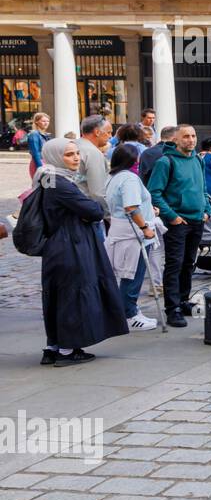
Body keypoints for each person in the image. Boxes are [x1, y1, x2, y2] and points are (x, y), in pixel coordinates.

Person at [31, 138, 129, 366]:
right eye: (68, 155)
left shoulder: (47, 177)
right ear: (56, 156)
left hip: (59, 244)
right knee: (72, 295)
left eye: (76, 153)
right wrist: (89, 209)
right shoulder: (59, 182)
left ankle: (54, 346)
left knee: (59, 295)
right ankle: (67, 351)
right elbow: (94, 210)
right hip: (70, 245)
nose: (75, 158)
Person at [147, 125, 207, 328]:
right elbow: (154, 192)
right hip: (178, 221)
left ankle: (183, 300)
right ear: (176, 139)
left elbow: (202, 187)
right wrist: (172, 216)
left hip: (197, 219)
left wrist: (205, 209)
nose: (191, 140)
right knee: (175, 264)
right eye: (186, 136)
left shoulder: (198, 159)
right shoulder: (166, 162)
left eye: (193, 136)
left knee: (189, 263)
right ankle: (172, 309)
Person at [104, 144, 160, 331]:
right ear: (133, 160)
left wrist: (149, 211)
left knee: (129, 274)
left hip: (122, 230)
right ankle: (129, 315)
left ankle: (127, 312)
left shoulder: (114, 177)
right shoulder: (129, 178)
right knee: (132, 275)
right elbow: (130, 207)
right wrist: (145, 227)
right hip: (133, 233)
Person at [75, 114, 112, 213]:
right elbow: (98, 192)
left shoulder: (73, 145)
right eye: (108, 132)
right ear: (97, 132)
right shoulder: (93, 153)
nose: (110, 136)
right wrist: (108, 215)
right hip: (85, 210)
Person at [27, 111, 50, 179]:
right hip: (39, 163)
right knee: (41, 187)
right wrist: (40, 168)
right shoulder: (34, 134)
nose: (46, 123)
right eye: (43, 121)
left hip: (46, 163)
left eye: (47, 121)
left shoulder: (46, 135)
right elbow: (35, 153)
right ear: (37, 122)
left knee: (48, 187)